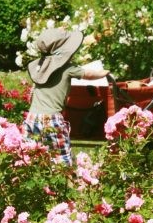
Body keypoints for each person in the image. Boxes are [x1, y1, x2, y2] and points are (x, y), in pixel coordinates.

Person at [24, 28, 109, 165]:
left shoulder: (41, 68)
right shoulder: (67, 68)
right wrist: (104, 73)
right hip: (51, 118)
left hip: (32, 117)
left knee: (33, 154)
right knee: (61, 157)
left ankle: (36, 177)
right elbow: (88, 75)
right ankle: (65, 177)